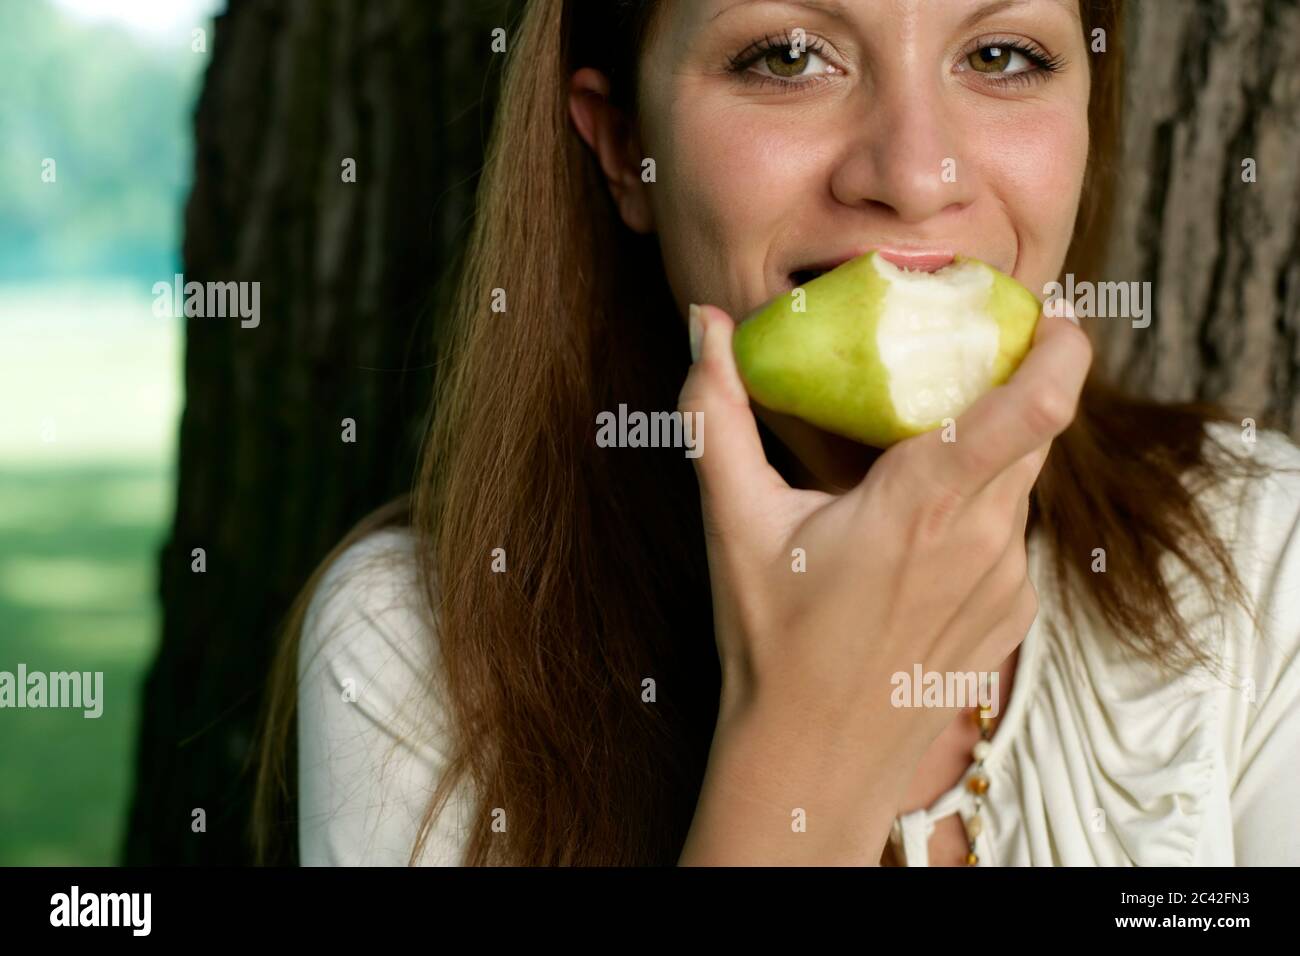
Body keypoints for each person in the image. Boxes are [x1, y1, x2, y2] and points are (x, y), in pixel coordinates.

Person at [254, 0, 1300, 866]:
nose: (915, 173)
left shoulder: (1262, 564)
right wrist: (803, 750)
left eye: (999, 54)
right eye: (789, 56)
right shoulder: (417, 650)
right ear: (626, 152)